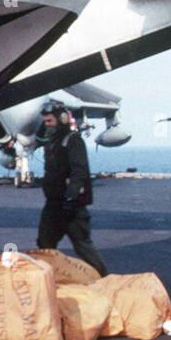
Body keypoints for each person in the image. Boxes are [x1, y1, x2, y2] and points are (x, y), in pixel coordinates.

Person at [36, 100, 108, 275]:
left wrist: (71, 198)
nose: (47, 125)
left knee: (82, 245)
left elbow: (79, 172)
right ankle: (47, 282)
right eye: (45, 122)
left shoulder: (73, 141)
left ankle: (105, 279)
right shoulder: (52, 142)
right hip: (53, 205)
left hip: (71, 207)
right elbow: (38, 138)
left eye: (49, 121)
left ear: (61, 119)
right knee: (44, 244)